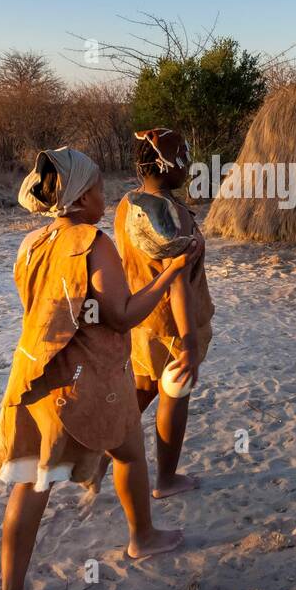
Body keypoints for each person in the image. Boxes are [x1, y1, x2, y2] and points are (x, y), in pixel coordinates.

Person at [0, 147, 197, 590]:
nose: (106, 196)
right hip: (91, 379)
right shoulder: (93, 242)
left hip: (37, 374)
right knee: (129, 453)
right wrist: (170, 273)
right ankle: (142, 537)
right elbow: (122, 316)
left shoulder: (33, 242)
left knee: (31, 481)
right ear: (83, 196)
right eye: (101, 187)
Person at [113, 128, 213, 499]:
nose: (188, 161)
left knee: (140, 388)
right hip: (172, 323)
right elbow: (178, 284)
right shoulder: (173, 216)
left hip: (138, 317)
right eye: (184, 154)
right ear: (166, 164)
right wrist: (188, 342)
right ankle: (166, 479)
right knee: (174, 392)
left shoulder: (127, 203)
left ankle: (99, 456)